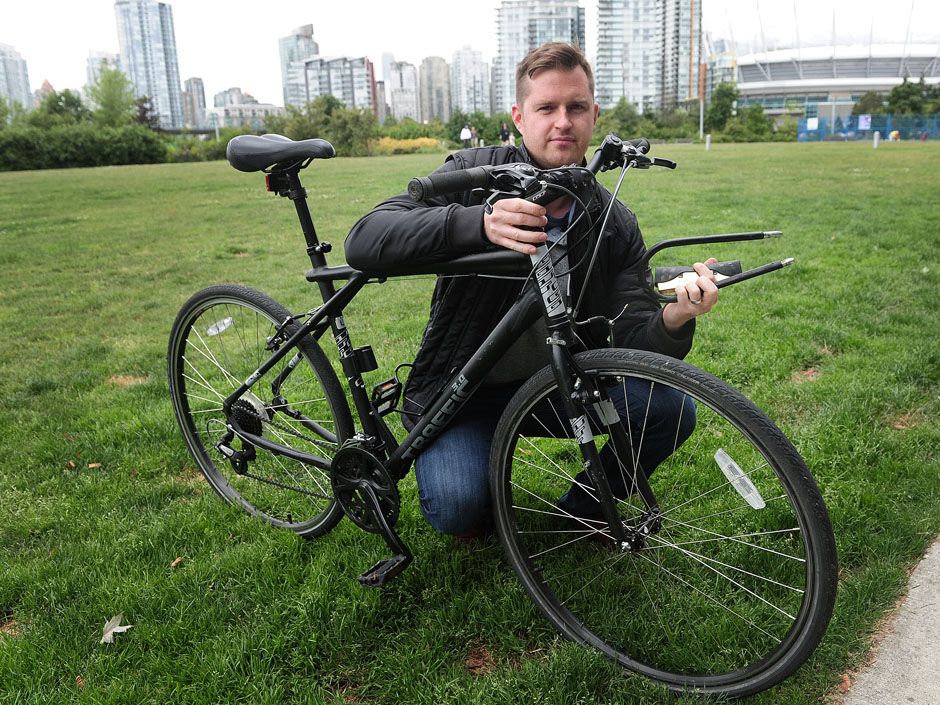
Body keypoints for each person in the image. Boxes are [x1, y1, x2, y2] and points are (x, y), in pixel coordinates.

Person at [345, 43, 719, 538]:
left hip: (558, 387)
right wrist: (477, 223)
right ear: (520, 118)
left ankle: (581, 511)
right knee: (457, 510)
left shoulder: (611, 218)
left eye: (576, 107)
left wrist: (674, 320)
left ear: (594, 115)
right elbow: (366, 237)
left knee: (670, 408)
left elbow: (632, 339)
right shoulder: (476, 174)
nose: (562, 121)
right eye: (547, 108)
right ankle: (473, 474)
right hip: (463, 392)